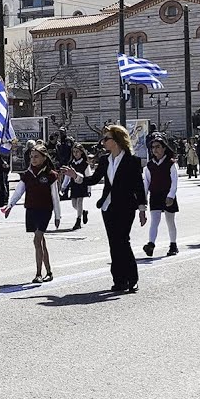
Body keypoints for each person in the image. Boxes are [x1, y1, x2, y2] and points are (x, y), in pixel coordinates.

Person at [63, 125, 147, 294]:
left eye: (106, 139)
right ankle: (119, 280)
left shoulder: (132, 160)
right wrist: (75, 177)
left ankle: (132, 279)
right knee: (114, 243)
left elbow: (138, 186)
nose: (103, 142)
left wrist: (142, 209)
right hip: (108, 207)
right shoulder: (104, 160)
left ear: (116, 140)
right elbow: (93, 180)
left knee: (123, 241)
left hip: (126, 206)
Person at [4, 147, 62, 284]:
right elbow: (18, 192)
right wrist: (10, 205)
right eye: (31, 157)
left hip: (45, 210)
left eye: (36, 156)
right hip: (31, 209)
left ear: (44, 158)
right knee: (41, 241)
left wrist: (57, 216)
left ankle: (38, 273)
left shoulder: (50, 175)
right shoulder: (27, 174)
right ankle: (49, 271)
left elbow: (55, 197)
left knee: (37, 240)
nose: (33, 159)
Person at [143, 134, 180, 257]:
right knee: (154, 221)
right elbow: (146, 182)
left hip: (168, 195)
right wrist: (143, 199)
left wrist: (171, 196)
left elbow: (174, 181)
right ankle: (151, 244)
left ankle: (173, 244)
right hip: (155, 195)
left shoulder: (170, 163)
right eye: (153, 147)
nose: (155, 150)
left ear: (164, 148)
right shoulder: (149, 165)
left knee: (170, 221)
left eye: (158, 147)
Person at [67, 143, 92, 230]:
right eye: (74, 152)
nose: (75, 153)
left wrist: (89, 189)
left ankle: (78, 220)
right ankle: (83, 212)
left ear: (81, 152)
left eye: (77, 152)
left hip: (82, 185)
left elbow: (88, 176)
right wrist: (63, 187)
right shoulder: (71, 163)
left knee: (79, 201)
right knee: (74, 204)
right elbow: (67, 175)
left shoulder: (85, 164)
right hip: (74, 185)